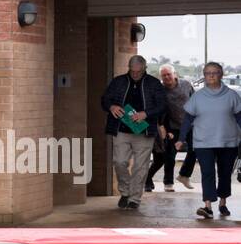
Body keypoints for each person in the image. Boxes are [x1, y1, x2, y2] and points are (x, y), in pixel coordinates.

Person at [100, 55, 166, 211]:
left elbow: (162, 105)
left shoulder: (153, 83)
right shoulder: (118, 81)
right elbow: (105, 99)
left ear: (144, 69)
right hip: (121, 129)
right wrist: (111, 107)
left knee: (140, 167)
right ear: (128, 68)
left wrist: (146, 114)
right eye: (132, 71)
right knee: (120, 162)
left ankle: (134, 198)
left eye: (138, 71)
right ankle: (125, 191)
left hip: (144, 131)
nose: (135, 74)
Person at [178, 62, 241, 220]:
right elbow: (187, 120)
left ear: (221, 74)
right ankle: (208, 206)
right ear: (204, 75)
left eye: (215, 72)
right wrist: (181, 138)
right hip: (203, 142)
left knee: (225, 173)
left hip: (228, 141)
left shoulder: (232, 95)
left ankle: (222, 202)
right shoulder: (198, 97)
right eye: (207, 73)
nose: (211, 75)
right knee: (207, 173)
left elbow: (240, 118)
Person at [146, 64, 190, 193]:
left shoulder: (186, 85)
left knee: (195, 149)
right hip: (169, 127)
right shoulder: (159, 89)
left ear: (175, 74)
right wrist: (163, 127)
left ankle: (183, 175)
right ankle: (165, 182)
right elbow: (158, 109)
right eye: (164, 75)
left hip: (189, 125)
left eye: (169, 74)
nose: (167, 77)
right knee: (166, 156)